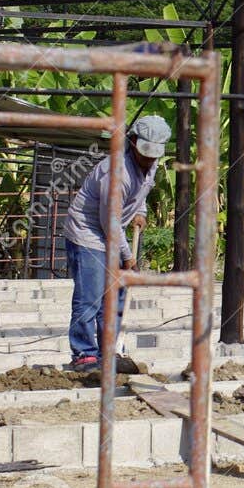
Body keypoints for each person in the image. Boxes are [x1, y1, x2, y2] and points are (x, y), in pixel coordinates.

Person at [63, 114, 171, 372]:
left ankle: (108, 352)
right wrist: (128, 257)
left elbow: (142, 189)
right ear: (133, 142)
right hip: (88, 233)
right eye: (145, 153)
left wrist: (141, 211)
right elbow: (109, 223)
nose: (149, 159)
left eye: (153, 155)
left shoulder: (150, 163)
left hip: (112, 232)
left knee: (114, 298)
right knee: (91, 297)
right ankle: (84, 354)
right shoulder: (116, 173)